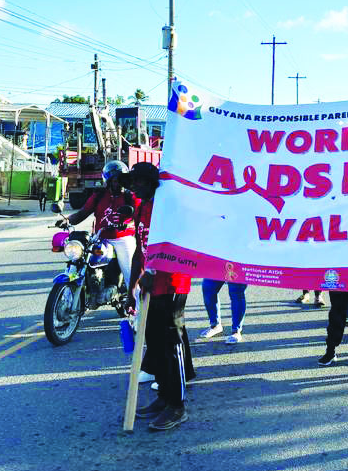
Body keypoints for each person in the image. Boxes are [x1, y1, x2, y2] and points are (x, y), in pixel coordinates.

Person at [125, 161, 196, 432]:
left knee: (171, 344)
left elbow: (178, 245)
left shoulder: (167, 209)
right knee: (154, 342)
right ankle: (163, 397)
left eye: (137, 182)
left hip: (173, 284)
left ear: (151, 183)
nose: (133, 187)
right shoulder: (142, 207)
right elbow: (140, 251)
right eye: (131, 182)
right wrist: (131, 288)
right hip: (150, 287)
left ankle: (177, 406)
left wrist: (153, 271)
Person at [55, 160, 140, 307]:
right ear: (107, 180)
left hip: (123, 238)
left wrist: (126, 223)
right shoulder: (99, 195)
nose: (116, 183)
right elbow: (83, 213)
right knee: (81, 259)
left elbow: (138, 216)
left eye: (119, 179)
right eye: (113, 179)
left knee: (130, 272)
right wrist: (68, 221)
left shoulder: (130, 196)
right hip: (101, 237)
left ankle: (137, 308)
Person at [200, 279, 248, 344]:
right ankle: (215, 325)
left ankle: (236, 331)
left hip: (238, 269)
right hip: (216, 268)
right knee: (208, 288)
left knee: (236, 293)